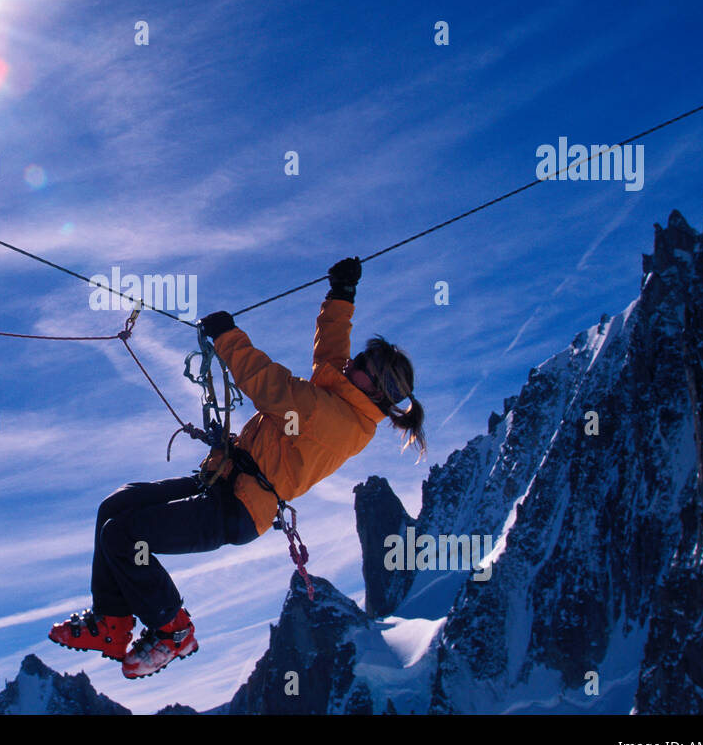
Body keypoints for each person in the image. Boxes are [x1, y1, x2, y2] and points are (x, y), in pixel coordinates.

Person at [48, 257, 427, 678]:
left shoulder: (334, 418)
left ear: (375, 391)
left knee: (123, 534)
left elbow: (271, 387)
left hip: (239, 507)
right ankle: (112, 623)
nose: (351, 364)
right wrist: (342, 295)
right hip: (224, 482)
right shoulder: (342, 396)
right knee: (114, 507)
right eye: (359, 359)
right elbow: (331, 352)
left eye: (362, 367)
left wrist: (227, 337)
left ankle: (173, 630)